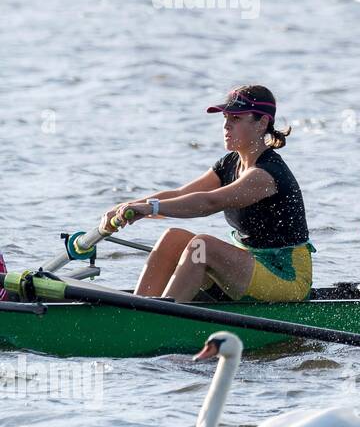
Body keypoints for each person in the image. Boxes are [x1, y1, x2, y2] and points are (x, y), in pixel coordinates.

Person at [102, 86, 313, 302]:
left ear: (262, 123)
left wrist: (150, 208)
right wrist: (127, 206)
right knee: (172, 238)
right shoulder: (229, 163)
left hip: (286, 278)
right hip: (249, 265)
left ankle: (161, 321)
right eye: (225, 117)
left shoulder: (266, 174)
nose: (226, 125)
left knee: (202, 246)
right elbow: (181, 193)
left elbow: (210, 202)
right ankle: (138, 313)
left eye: (236, 118)